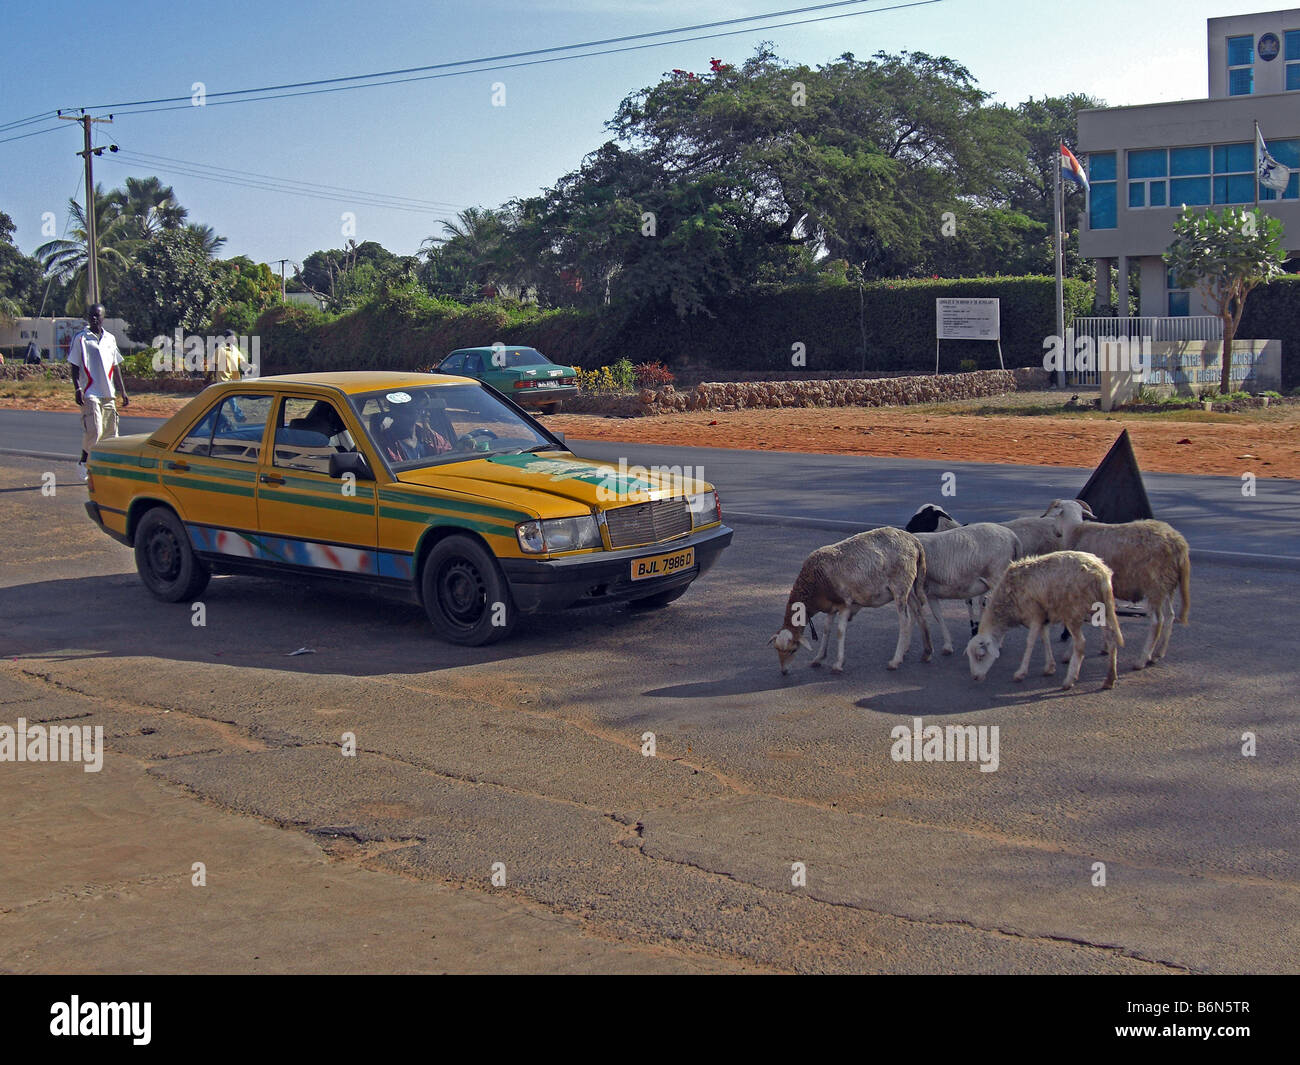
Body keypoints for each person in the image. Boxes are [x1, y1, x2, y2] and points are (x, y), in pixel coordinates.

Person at [67, 304, 129, 481]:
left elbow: (115, 366)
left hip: (108, 392)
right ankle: (84, 462)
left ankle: (106, 468)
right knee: (94, 430)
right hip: (90, 392)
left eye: (97, 316)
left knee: (110, 434)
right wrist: (77, 388)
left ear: (103, 317)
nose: (94, 318)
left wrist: (123, 392)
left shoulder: (110, 339)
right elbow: (74, 365)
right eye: (91, 315)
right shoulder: (81, 339)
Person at [378, 403, 451, 462]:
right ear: (393, 413)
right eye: (402, 409)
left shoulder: (430, 436)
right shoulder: (386, 444)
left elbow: (449, 456)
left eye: (411, 408)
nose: (407, 413)